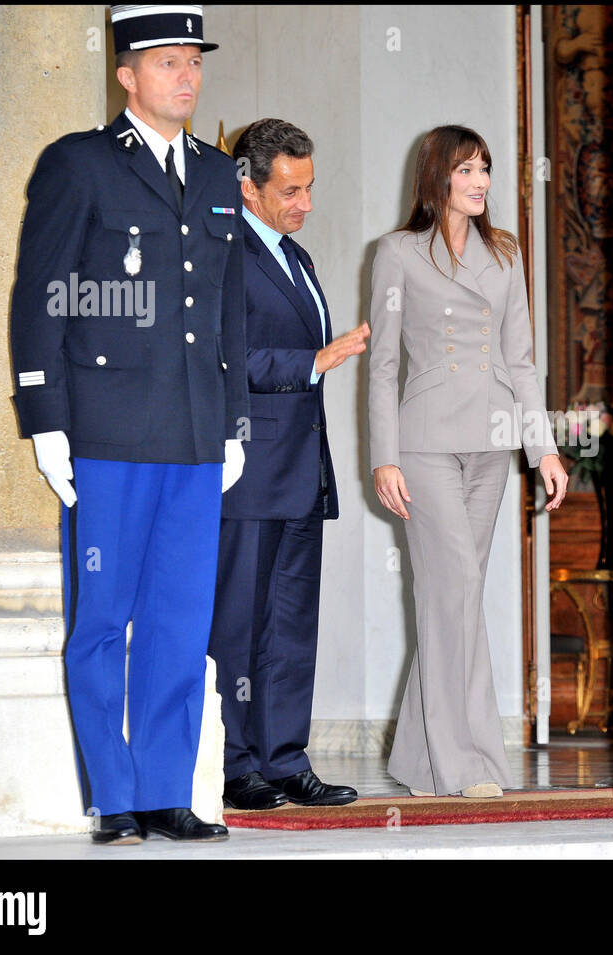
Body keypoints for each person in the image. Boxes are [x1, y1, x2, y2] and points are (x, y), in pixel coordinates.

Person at [8, 5, 246, 844]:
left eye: (194, 61)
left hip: (191, 433)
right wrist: (46, 420)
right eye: (169, 61)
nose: (187, 75)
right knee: (104, 618)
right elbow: (41, 295)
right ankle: (114, 795)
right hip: (105, 432)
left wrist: (236, 423)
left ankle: (164, 790)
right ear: (127, 76)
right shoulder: (78, 165)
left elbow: (229, 308)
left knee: (181, 623)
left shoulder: (220, 177)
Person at [369, 125, 568, 798]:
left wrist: (542, 449)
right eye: (466, 170)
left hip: (492, 443)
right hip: (423, 446)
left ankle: (418, 762)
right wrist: (383, 457)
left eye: (485, 168)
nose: (481, 181)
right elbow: (384, 363)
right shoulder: (395, 254)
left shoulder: (506, 255)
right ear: (438, 178)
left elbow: (521, 361)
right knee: (450, 589)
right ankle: (469, 763)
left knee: (454, 598)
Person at [208, 119, 369, 811]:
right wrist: (315, 360)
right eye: (291, 189)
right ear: (248, 185)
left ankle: (284, 758)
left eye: (309, 187)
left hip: (302, 473)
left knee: (291, 624)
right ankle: (235, 762)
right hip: (247, 473)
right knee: (239, 623)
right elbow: (220, 358)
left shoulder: (296, 258)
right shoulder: (222, 251)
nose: (305, 202)